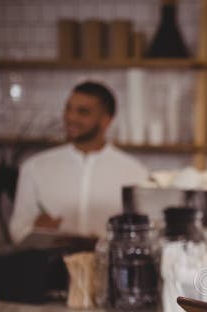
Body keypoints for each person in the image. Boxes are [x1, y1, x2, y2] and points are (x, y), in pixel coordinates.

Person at [8, 81, 149, 243]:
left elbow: (144, 233)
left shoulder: (135, 173)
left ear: (106, 120)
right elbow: (17, 230)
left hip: (108, 266)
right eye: (68, 109)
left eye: (83, 112)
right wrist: (36, 229)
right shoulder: (35, 167)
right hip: (51, 266)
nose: (71, 117)